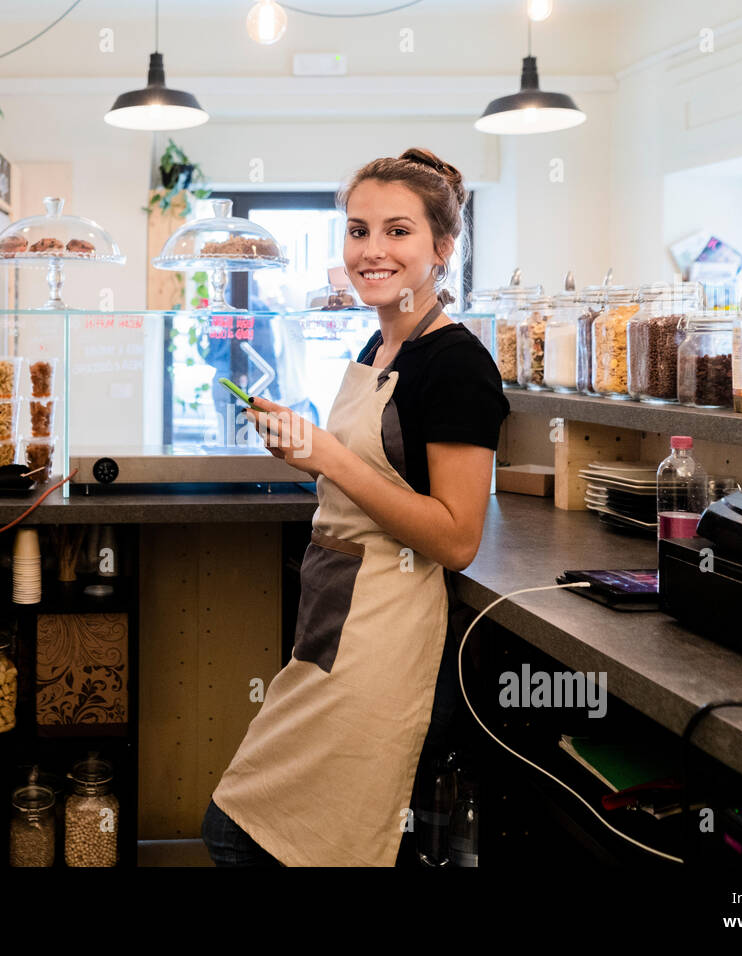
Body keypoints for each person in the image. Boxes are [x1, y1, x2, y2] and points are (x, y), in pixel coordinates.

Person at [200, 148, 510, 866]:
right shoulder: (379, 343)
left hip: (384, 633)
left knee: (240, 834)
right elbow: (372, 487)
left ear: (442, 247)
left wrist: (330, 456)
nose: (372, 250)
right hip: (334, 618)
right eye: (358, 229)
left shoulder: (458, 363)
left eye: (397, 231)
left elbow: (457, 537)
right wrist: (306, 454)